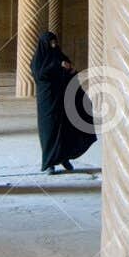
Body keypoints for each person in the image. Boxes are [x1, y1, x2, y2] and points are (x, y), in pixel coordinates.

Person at [31, 32, 97, 174]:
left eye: (55, 42)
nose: (54, 45)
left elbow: (70, 74)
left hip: (63, 98)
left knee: (67, 128)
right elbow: (40, 75)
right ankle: (50, 162)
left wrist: (71, 70)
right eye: (51, 43)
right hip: (48, 101)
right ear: (44, 44)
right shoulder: (39, 60)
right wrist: (57, 65)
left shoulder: (60, 55)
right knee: (50, 130)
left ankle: (63, 157)